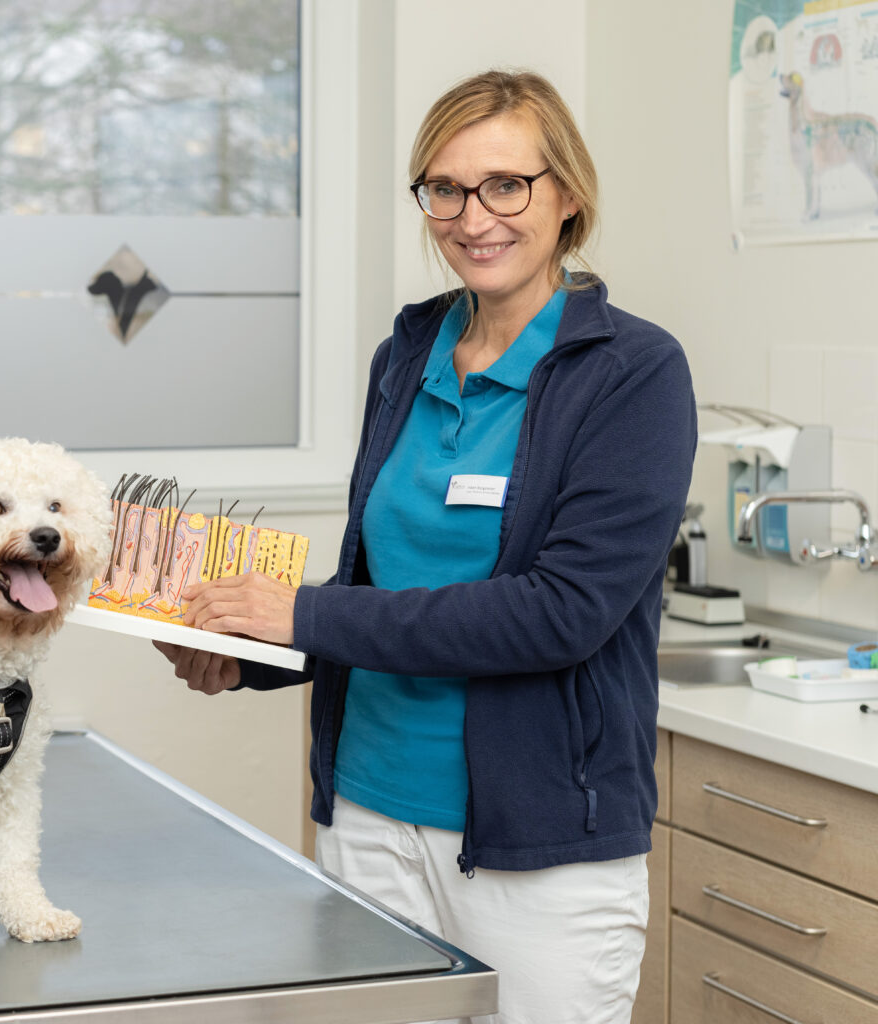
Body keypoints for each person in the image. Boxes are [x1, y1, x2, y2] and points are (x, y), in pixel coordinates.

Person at [155, 70, 695, 1024]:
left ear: (567, 194)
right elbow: (379, 590)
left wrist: (301, 614)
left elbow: (560, 613)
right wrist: (254, 654)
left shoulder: (633, 371)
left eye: (505, 185)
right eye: (444, 188)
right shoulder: (408, 352)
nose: (471, 216)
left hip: (541, 853)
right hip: (367, 814)